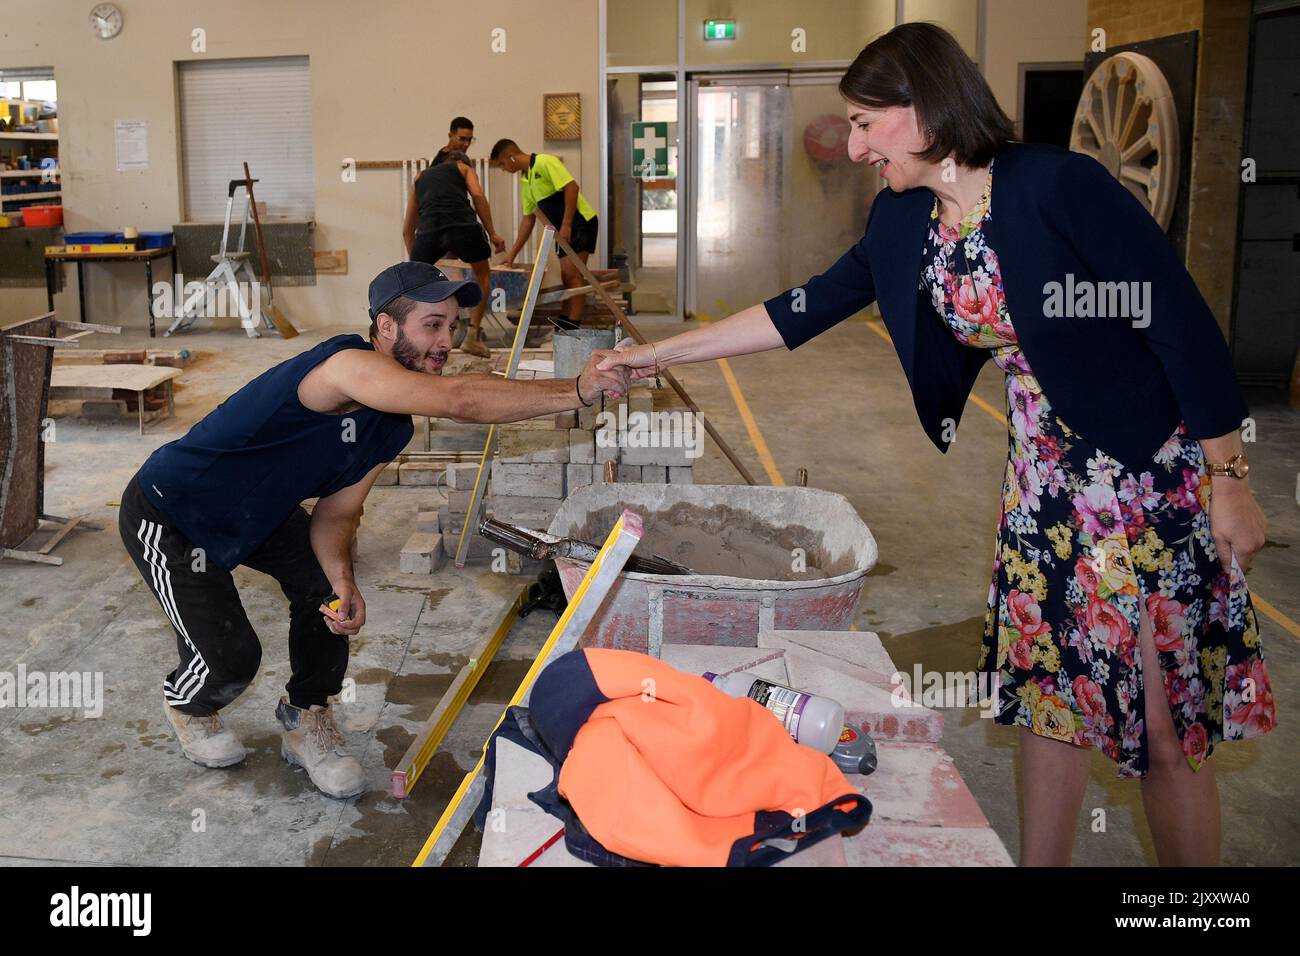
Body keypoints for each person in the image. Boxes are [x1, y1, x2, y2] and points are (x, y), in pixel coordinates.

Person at [600, 22, 1276, 866]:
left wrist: (1231, 476)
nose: (851, 147)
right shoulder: (904, 219)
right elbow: (801, 310)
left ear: (924, 107)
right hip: (1042, 490)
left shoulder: (1059, 186)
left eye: (864, 122)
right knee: (1045, 703)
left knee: (1164, 723)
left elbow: (1178, 322)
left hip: (1141, 481)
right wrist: (653, 353)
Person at [119, 261, 628, 799]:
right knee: (230, 661)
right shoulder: (345, 368)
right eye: (432, 325)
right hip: (172, 513)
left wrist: (342, 579)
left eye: (452, 326)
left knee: (325, 597)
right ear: (386, 327)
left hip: (258, 513)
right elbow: (461, 400)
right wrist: (578, 388)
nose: (446, 341)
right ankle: (190, 705)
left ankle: (305, 718)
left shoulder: (389, 424)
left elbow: (337, 513)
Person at [404, 148, 505, 357]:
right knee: (482, 274)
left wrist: (416, 266)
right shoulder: (463, 168)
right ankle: (472, 336)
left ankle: (414, 339)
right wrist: (493, 234)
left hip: (428, 231)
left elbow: (407, 230)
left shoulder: (420, 177)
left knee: (417, 285)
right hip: (463, 226)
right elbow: (478, 196)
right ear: (461, 161)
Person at [489, 139, 599, 327]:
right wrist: (512, 254)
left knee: (573, 274)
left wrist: (566, 225)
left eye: (502, 163)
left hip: (580, 223)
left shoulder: (545, 162)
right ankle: (566, 319)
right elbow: (528, 219)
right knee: (566, 275)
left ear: (511, 156)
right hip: (561, 230)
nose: (503, 168)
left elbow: (572, 187)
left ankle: (572, 325)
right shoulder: (526, 179)